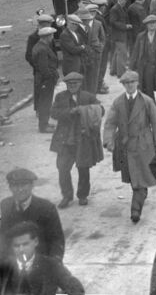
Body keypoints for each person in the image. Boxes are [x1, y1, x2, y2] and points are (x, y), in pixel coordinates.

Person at [103, 70, 156, 223]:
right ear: (123, 85)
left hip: (143, 145)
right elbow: (110, 123)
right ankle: (139, 198)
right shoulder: (118, 102)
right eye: (126, 83)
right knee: (133, 177)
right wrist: (109, 140)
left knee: (140, 179)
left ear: (137, 83)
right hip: (125, 145)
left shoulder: (147, 101)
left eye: (132, 82)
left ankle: (135, 210)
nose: (129, 86)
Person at [49, 72, 104, 209]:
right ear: (66, 85)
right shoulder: (60, 97)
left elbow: (101, 110)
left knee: (83, 168)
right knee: (62, 168)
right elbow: (54, 113)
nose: (72, 86)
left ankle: (83, 195)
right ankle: (66, 196)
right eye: (69, 84)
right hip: (65, 140)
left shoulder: (88, 96)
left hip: (82, 140)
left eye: (75, 84)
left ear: (80, 84)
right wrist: (69, 112)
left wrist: (85, 110)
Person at [0, 221, 85, 295]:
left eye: (25, 244)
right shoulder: (3, 267)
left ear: (35, 242)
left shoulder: (51, 265)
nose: (21, 250)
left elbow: (76, 289)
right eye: (16, 246)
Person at [0, 168, 64, 261]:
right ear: (10, 187)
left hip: (40, 261)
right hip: (14, 262)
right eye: (15, 185)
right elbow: (3, 234)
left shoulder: (46, 208)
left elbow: (57, 240)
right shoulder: (5, 205)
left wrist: (53, 264)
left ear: (32, 186)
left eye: (24, 185)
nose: (20, 189)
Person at [30, 26, 59, 133]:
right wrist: (51, 77)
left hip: (42, 79)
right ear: (47, 37)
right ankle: (43, 126)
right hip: (45, 80)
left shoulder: (39, 46)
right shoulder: (42, 49)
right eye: (51, 35)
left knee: (45, 101)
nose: (52, 37)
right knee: (45, 102)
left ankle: (45, 123)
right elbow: (44, 67)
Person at [108, 0, 131, 77]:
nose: (124, 2)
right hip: (118, 34)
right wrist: (125, 26)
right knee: (122, 53)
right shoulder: (115, 9)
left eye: (125, 0)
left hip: (121, 34)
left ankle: (113, 71)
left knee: (117, 53)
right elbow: (113, 22)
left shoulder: (122, 8)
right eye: (123, 0)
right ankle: (121, 73)